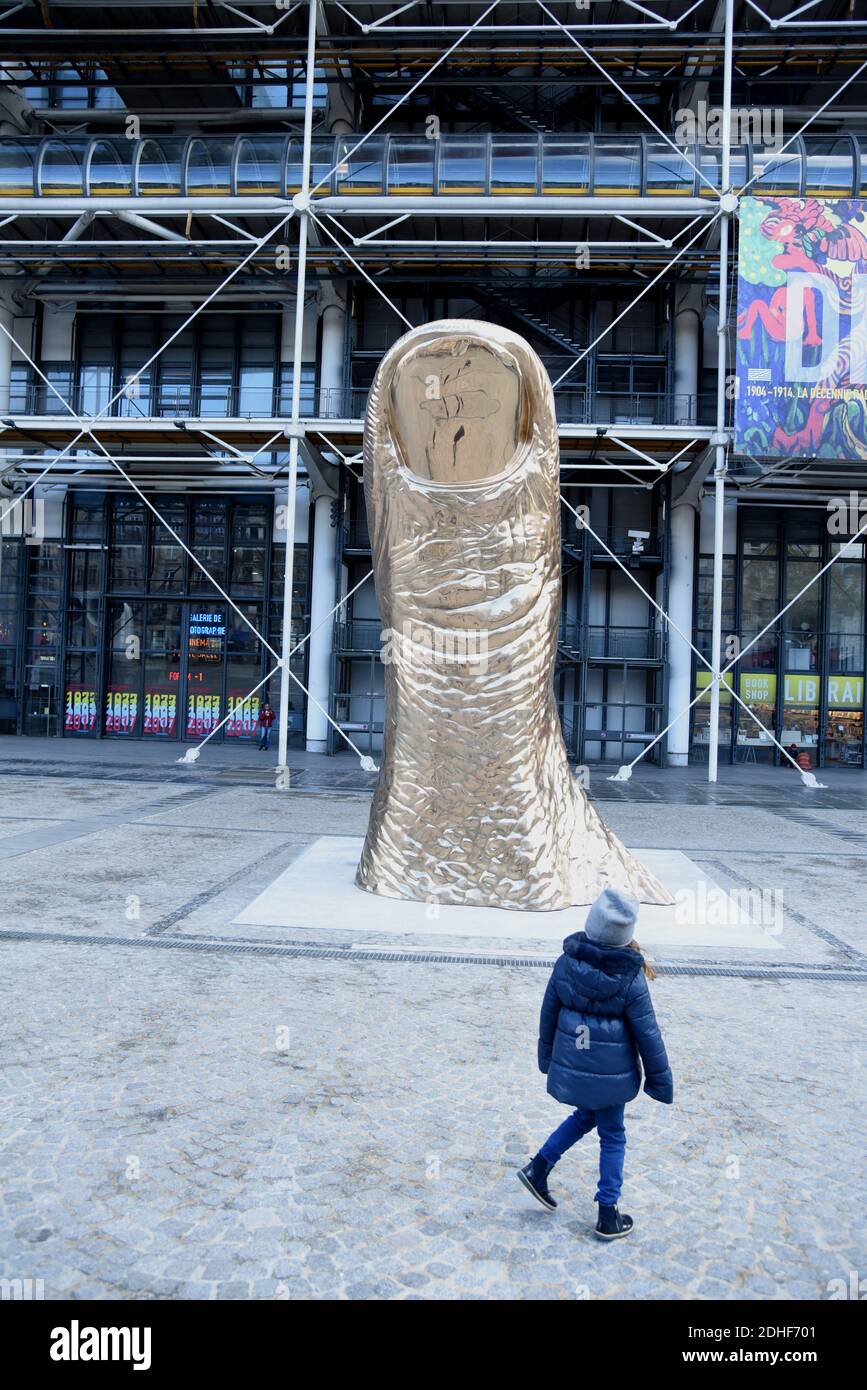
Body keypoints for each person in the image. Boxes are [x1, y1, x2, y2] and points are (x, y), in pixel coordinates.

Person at [517, 888, 673, 1241]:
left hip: (577, 1062)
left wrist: (547, 1058)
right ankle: (607, 1212)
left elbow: (548, 1014)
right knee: (613, 1135)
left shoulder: (566, 963)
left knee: (586, 1115)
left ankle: (538, 1167)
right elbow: (648, 1033)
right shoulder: (630, 977)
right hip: (612, 1077)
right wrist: (660, 1080)